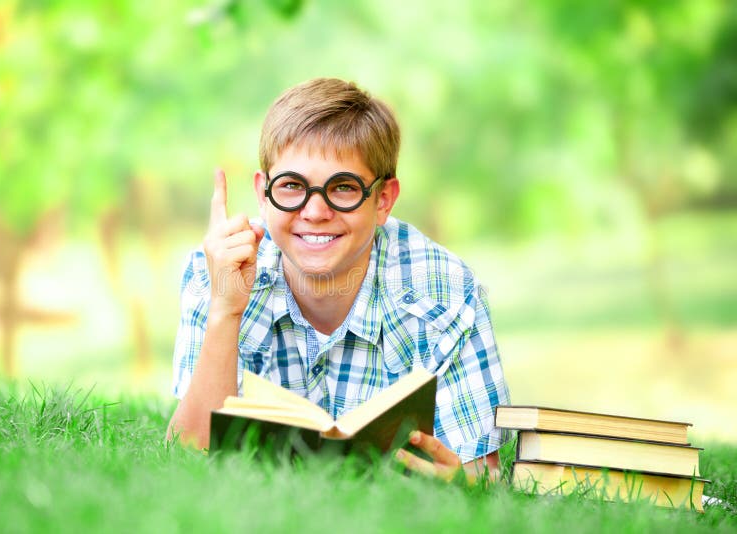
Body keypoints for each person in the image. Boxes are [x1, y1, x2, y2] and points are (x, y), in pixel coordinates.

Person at [166, 78, 511, 482]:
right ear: (263, 194)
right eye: (292, 186)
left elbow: (481, 475)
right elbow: (186, 459)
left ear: (383, 200)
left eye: (343, 188)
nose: (314, 212)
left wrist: (459, 481)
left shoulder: (445, 291)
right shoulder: (221, 268)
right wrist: (226, 310)